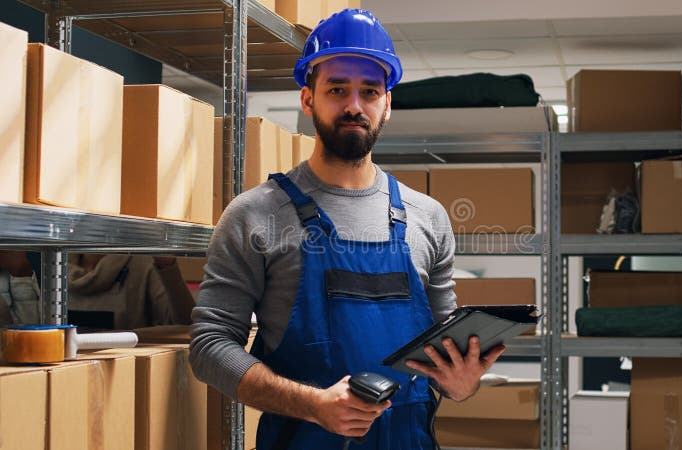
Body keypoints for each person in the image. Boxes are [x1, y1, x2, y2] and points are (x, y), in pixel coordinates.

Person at [189, 8, 505, 449]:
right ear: (308, 99)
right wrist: (313, 404)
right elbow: (209, 347)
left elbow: (445, 360)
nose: (354, 105)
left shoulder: (427, 217)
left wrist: (462, 383)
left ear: (387, 104)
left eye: (369, 91)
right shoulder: (254, 214)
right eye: (337, 89)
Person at [67, 254, 194, 330]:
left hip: (126, 372)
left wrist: (167, 267)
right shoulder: (55, 263)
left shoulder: (143, 265)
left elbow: (184, 326)